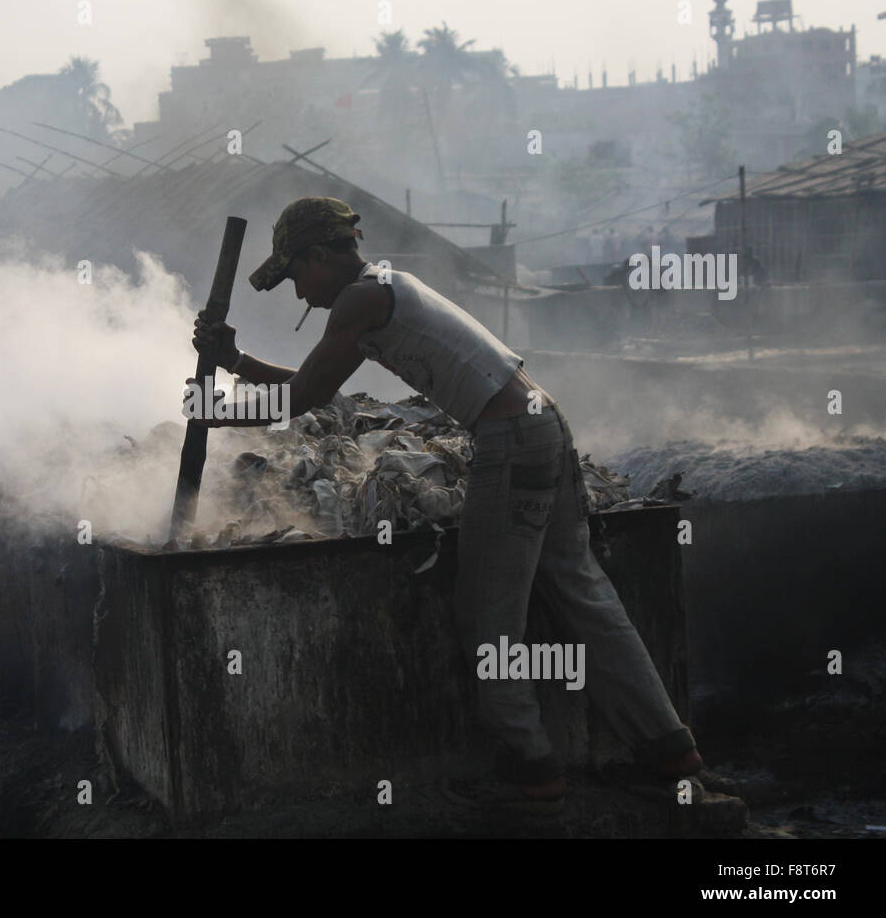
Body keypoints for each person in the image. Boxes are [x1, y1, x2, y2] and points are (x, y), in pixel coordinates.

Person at [189, 197, 703, 812]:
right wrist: (235, 364)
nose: (300, 294)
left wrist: (215, 409)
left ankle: (533, 770)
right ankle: (669, 748)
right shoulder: (381, 290)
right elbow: (316, 388)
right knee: (580, 590)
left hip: (511, 443)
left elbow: (303, 397)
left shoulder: (360, 300)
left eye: (297, 275)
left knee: (487, 614)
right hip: (544, 427)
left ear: (320, 256)